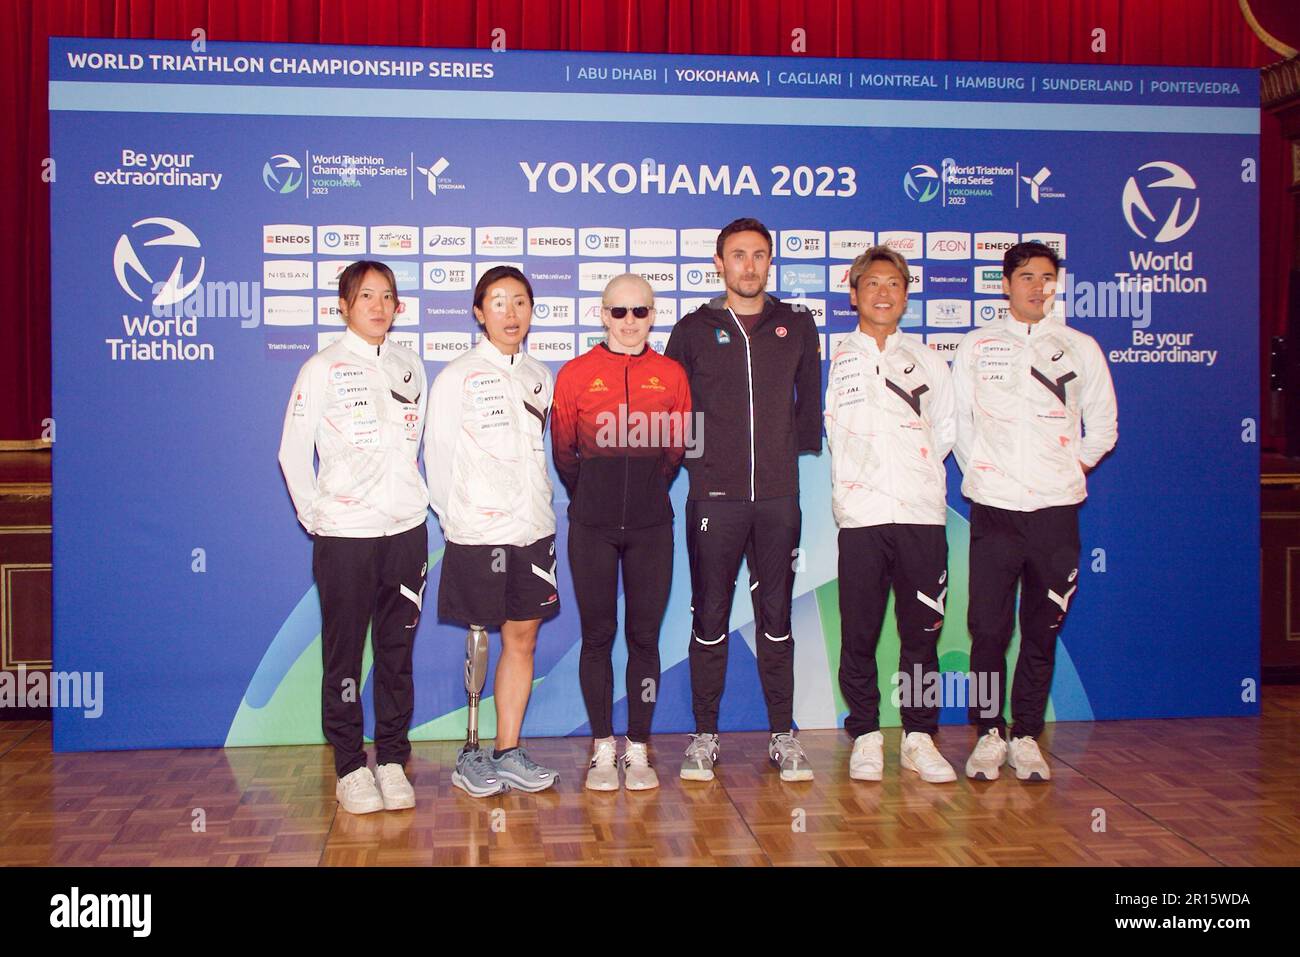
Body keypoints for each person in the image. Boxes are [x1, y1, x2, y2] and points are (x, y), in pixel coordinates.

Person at [952, 241, 1118, 782]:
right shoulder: (977, 346)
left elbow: (1104, 426)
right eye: (1025, 276)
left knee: (1042, 628)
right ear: (1006, 284)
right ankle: (987, 734)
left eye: (1046, 277)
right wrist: (983, 474)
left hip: (1055, 513)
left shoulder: (1080, 347)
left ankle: (1025, 734)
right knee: (987, 630)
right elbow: (959, 425)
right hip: (995, 511)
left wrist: (1068, 469)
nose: (1036, 287)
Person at [665, 217, 822, 782]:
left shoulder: (797, 325)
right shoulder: (692, 329)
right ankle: (704, 736)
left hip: (779, 497)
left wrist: (789, 452)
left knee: (776, 618)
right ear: (719, 263)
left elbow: (810, 404)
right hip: (715, 498)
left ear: (769, 262)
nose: (749, 265)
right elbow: (675, 411)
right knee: (709, 617)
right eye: (738, 255)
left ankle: (784, 734)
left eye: (759, 255)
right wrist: (703, 465)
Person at [278, 260, 427, 815]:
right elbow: (292, 453)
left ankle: (390, 758)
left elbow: (413, 449)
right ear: (344, 306)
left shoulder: (411, 366)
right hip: (345, 537)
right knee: (344, 657)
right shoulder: (321, 369)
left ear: (398, 306)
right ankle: (349, 766)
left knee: (397, 653)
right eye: (366, 296)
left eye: (387, 296)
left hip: (407, 532)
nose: (378, 305)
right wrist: (319, 516)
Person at [551, 274, 691, 791]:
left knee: (644, 640)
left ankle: (638, 747)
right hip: (593, 526)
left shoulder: (672, 375)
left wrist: (645, 489)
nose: (630, 322)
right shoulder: (575, 374)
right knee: (598, 637)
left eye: (640, 312)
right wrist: (595, 491)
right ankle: (602, 748)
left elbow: (676, 450)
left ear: (653, 315)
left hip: (652, 526)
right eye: (619, 312)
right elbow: (565, 451)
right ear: (602, 315)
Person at [425, 265, 560, 796]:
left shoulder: (539, 375)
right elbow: (436, 457)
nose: (511, 313)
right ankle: (471, 753)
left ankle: (508, 749)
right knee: (481, 637)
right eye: (498, 303)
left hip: (533, 530)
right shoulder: (457, 375)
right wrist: (458, 521)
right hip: (477, 533)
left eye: (520, 302)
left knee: (522, 638)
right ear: (479, 313)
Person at [825, 246, 957, 784]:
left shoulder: (929, 360)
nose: (883, 292)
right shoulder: (834, 358)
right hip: (861, 518)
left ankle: (920, 736)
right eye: (872, 283)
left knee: (922, 633)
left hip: (922, 517)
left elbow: (945, 432)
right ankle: (865, 734)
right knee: (859, 633)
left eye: (894, 284)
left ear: (905, 294)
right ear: (854, 294)